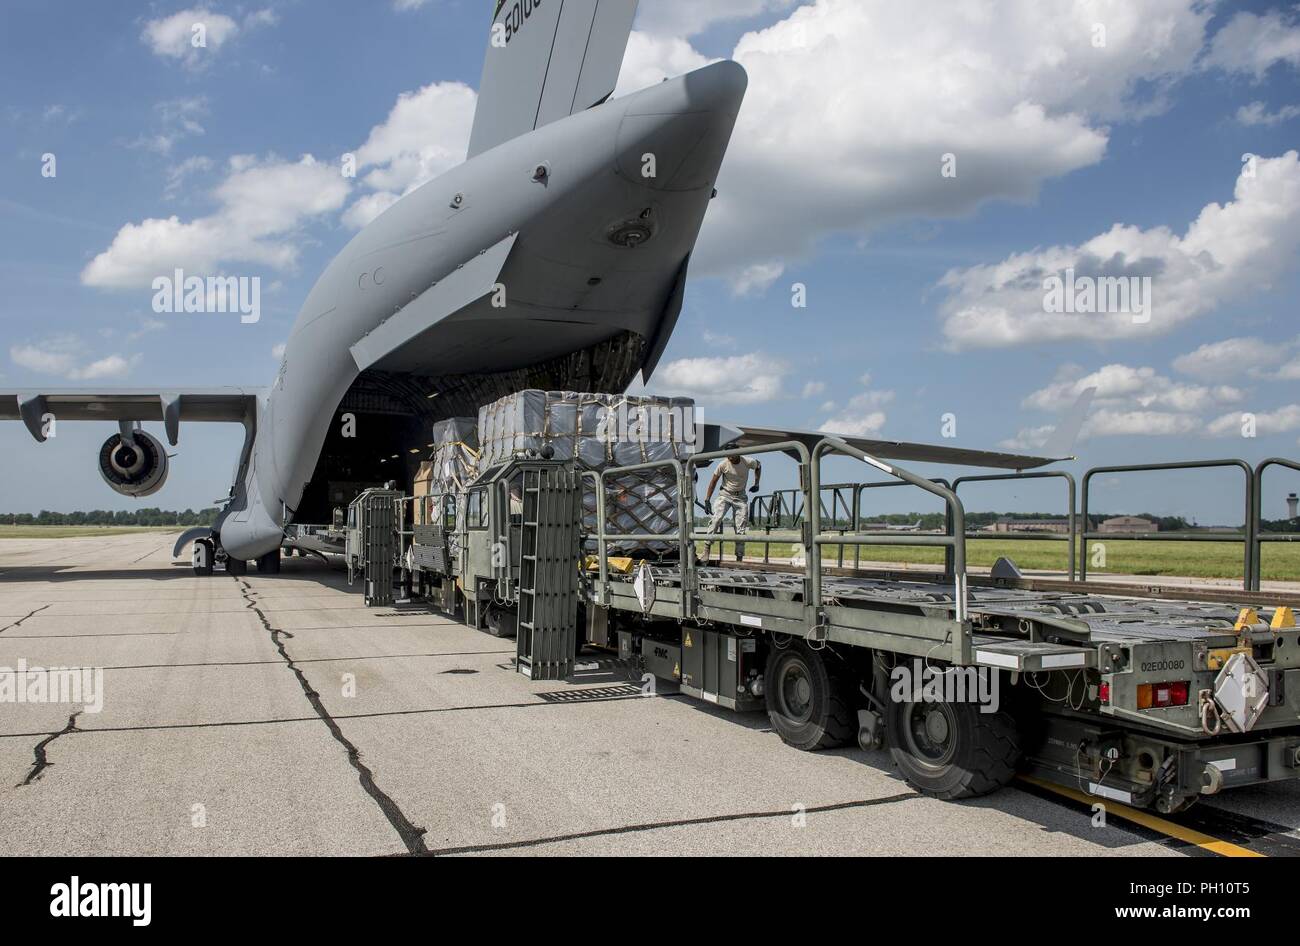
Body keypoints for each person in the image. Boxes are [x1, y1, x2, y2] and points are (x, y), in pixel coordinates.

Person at [702, 454, 761, 563]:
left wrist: (757, 483)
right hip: (725, 494)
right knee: (716, 519)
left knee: (740, 528)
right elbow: (713, 481)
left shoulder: (747, 461)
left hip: (741, 497)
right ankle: (706, 550)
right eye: (727, 455)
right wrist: (707, 500)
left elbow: (758, 465)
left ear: (738, 453)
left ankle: (739, 558)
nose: (729, 457)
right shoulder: (723, 464)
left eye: (732, 455)